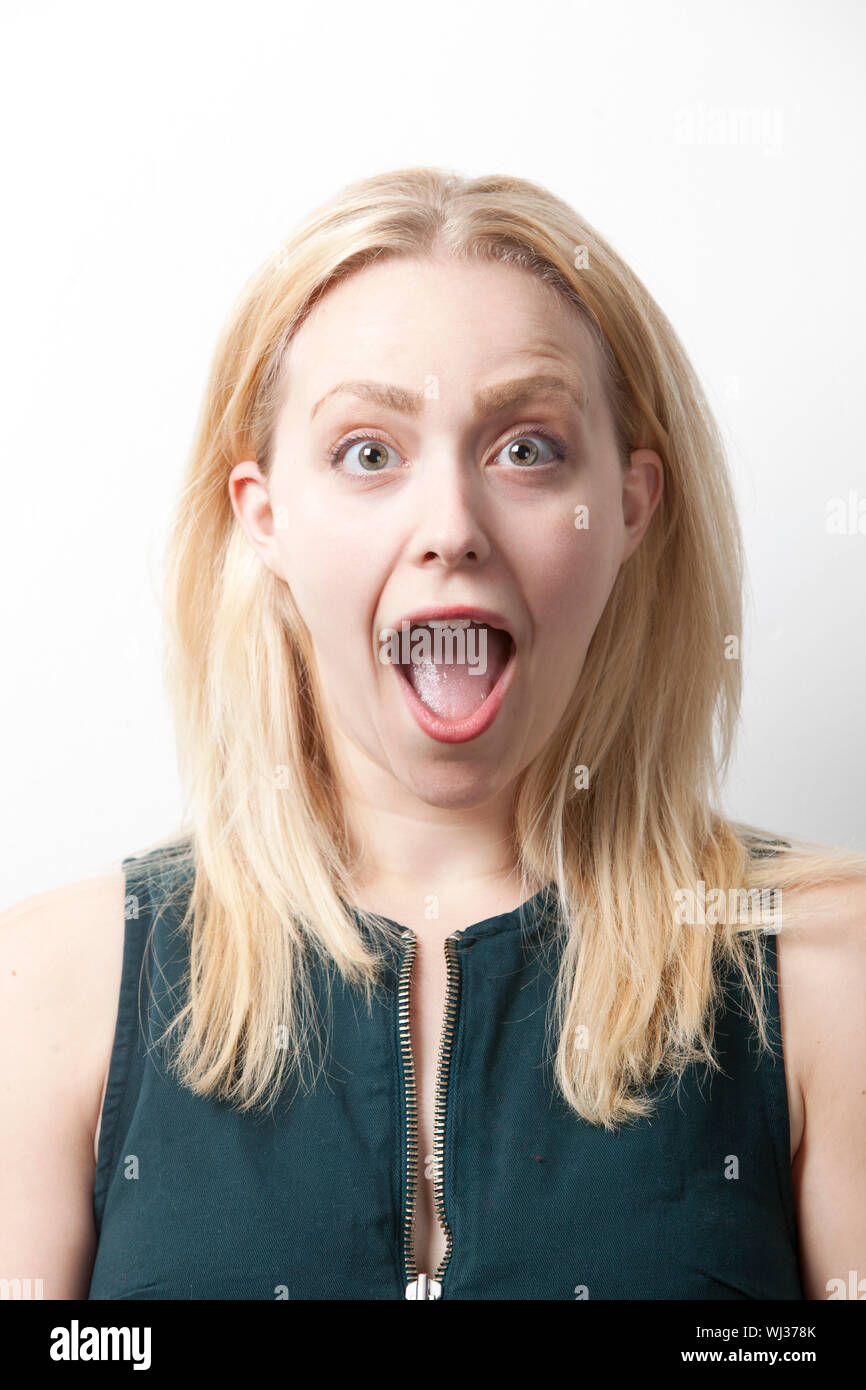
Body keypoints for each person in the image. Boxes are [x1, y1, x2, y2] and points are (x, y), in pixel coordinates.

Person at [2, 166, 865, 1301]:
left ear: (629, 509)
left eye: (525, 448)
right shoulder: (47, 987)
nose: (450, 526)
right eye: (368, 453)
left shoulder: (826, 972)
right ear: (265, 519)